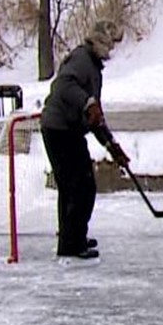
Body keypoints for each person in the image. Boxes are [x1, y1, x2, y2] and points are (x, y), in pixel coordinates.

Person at [41, 20, 129, 260]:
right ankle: (71, 243)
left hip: (65, 129)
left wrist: (112, 146)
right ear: (100, 41)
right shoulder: (81, 59)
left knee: (75, 186)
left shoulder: (93, 66)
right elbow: (63, 85)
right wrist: (87, 102)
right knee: (79, 186)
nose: (111, 51)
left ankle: (73, 236)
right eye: (110, 45)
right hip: (59, 129)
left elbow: (94, 116)